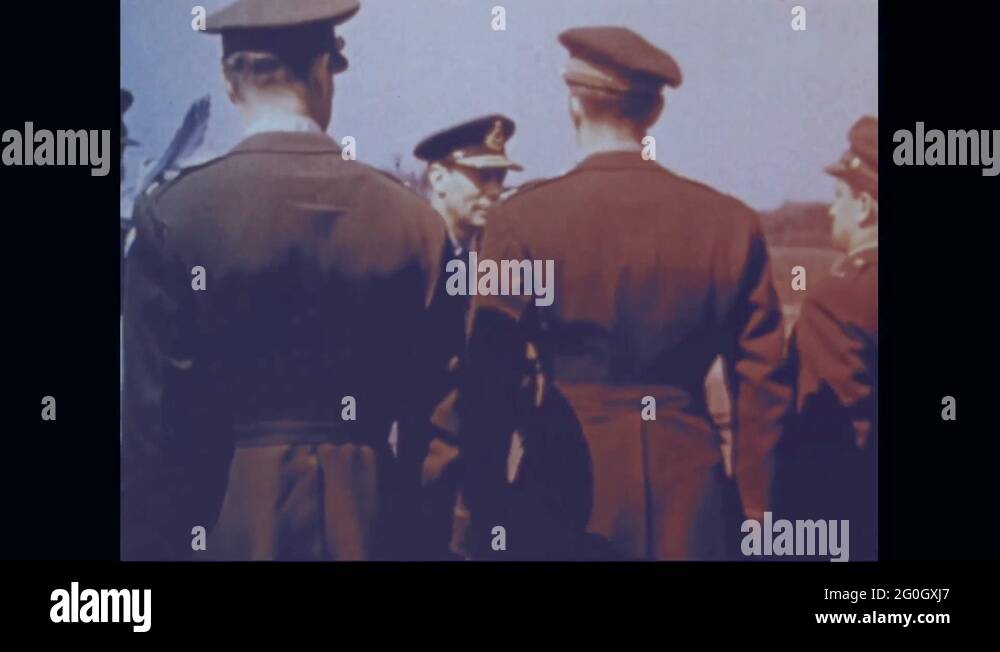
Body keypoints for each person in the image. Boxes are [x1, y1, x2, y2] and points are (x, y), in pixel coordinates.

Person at [121, 0, 445, 561]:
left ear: (229, 81)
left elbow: (153, 425)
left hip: (226, 522)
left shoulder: (176, 215)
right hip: (374, 524)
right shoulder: (414, 222)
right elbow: (441, 413)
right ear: (324, 73)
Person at [459, 26, 791, 560]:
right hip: (693, 495)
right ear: (655, 113)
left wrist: (485, 507)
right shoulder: (729, 223)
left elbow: (488, 378)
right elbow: (762, 384)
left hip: (565, 487)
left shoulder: (521, 221)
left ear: (573, 105)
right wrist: (756, 509)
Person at [405, 115, 524, 559]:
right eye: (482, 176)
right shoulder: (408, 258)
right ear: (438, 177)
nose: (494, 190)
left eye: (500, 177)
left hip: (475, 486)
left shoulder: (485, 263)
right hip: (413, 481)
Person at [774, 116, 878, 561]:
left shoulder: (838, 297)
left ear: (867, 206)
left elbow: (826, 433)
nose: (832, 211)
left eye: (840, 197)